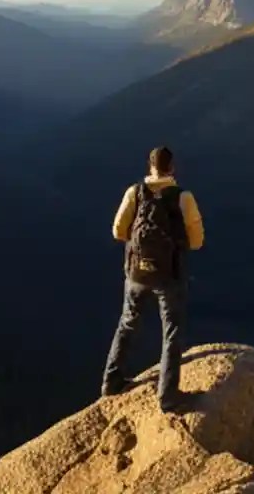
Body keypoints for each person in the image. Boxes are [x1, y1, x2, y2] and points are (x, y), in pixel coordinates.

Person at [101, 146, 204, 413]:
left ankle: (111, 381)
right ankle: (167, 397)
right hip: (170, 275)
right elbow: (197, 241)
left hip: (136, 273)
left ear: (150, 166)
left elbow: (117, 231)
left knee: (127, 323)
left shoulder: (134, 192)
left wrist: (140, 249)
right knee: (171, 332)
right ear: (173, 168)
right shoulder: (183, 198)